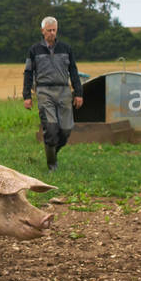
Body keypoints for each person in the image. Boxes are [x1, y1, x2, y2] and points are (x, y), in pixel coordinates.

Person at [22, 16, 83, 171]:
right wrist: (27, 96)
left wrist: (78, 93)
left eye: (54, 30)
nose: (51, 33)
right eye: (48, 30)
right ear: (42, 31)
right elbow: (28, 73)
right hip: (44, 91)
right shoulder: (34, 50)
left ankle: (52, 152)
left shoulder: (66, 48)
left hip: (64, 90)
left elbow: (74, 71)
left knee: (66, 129)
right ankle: (52, 165)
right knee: (50, 128)